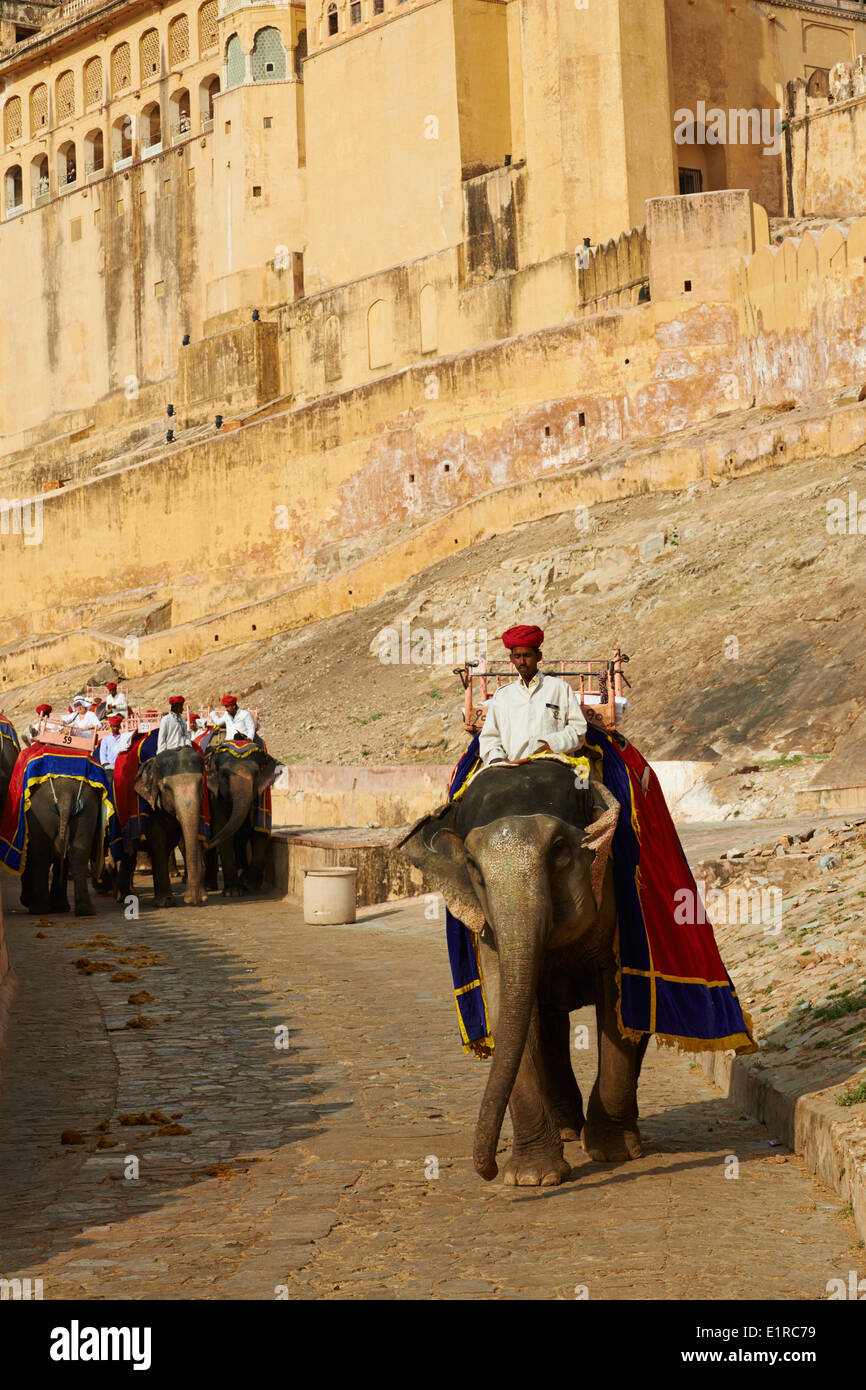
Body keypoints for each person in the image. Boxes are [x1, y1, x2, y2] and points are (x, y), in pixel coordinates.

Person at [478, 624, 587, 766]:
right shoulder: (503, 695)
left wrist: (551, 745)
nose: (522, 662)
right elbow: (490, 736)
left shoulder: (559, 688)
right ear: (511, 658)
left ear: (538, 656)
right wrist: (496, 758)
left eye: (527, 655)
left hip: (553, 767)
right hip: (512, 769)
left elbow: (578, 730)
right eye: (517, 656)